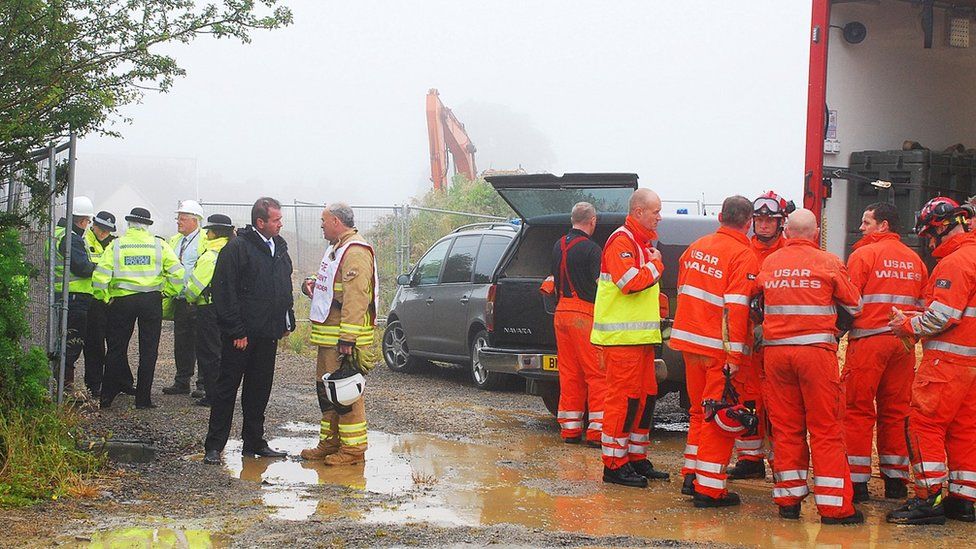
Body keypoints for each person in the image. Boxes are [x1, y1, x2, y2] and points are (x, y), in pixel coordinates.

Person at [757, 208, 863, 524]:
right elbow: (855, 305)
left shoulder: (770, 262)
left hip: (776, 355)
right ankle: (834, 509)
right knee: (826, 429)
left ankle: (788, 502)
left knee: (786, 429)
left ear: (786, 232)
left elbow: (757, 300)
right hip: (815, 355)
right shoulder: (828, 262)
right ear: (815, 233)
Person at [886, 197, 976, 525]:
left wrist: (907, 325)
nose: (930, 241)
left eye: (929, 234)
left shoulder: (955, 262)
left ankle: (929, 498)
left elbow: (944, 315)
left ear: (939, 228)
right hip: (970, 366)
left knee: (924, 425)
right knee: (965, 430)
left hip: (946, 363)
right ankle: (963, 500)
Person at [670, 196, 759, 507]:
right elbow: (736, 309)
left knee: (698, 412)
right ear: (748, 223)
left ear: (720, 215)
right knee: (718, 418)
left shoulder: (695, 247)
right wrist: (735, 357)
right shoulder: (743, 256)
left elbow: (683, 290)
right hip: (718, 350)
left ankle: (691, 476)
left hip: (689, 343)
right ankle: (709, 490)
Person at [843, 202, 926, 503]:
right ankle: (895, 482)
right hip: (903, 344)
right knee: (896, 411)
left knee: (857, 410)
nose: (862, 228)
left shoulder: (863, 255)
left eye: (867, 222)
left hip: (869, 342)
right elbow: (923, 303)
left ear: (884, 225)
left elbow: (850, 301)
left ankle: (858, 482)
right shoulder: (915, 260)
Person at [204, 197, 295, 465]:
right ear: (260, 222)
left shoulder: (279, 248)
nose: (280, 224)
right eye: (276, 219)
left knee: (259, 390)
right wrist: (236, 331)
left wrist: (285, 320)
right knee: (227, 389)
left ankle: (254, 441)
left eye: (279, 219)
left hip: (268, 333)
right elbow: (224, 291)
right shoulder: (237, 249)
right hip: (241, 336)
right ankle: (214, 445)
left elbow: (283, 287)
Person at [590, 188, 669, 487]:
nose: (659, 217)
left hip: (638, 339)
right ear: (638, 212)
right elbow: (629, 283)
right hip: (621, 340)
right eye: (655, 211)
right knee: (622, 401)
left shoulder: (639, 242)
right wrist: (656, 264)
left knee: (644, 398)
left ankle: (635, 457)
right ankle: (613, 464)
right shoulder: (621, 241)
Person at [300, 203, 378, 466]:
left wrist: (348, 338)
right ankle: (331, 442)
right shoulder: (337, 248)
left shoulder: (355, 251)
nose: (321, 225)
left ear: (335, 221)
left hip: (342, 340)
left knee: (346, 393)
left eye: (323, 220)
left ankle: (353, 450)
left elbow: (357, 297)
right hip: (329, 339)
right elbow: (333, 285)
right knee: (327, 392)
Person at [727, 190, 794, 480]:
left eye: (770, 220)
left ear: (781, 223)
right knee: (748, 399)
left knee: (781, 404)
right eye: (760, 219)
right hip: (747, 342)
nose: (764, 224)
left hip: (779, 340)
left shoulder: (790, 253)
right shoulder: (743, 251)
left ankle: (783, 462)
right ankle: (750, 458)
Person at [93, 207, 185, 409]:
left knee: (116, 348)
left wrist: (105, 297)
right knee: (149, 350)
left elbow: (100, 276)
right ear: (147, 225)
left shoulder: (117, 245)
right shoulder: (159, 245)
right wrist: (167, 292)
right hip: (151, 301)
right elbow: (179, 274)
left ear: (129, 224)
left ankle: (107, 396)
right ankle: (143, 399)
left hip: (122, 301)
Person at [546, 202, 605, 446]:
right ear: (592, 221)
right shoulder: (592, 249)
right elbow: (602, 285)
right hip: (584, 315)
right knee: (597, 373)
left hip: (561, 313)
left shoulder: (557, 246)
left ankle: (570, 430)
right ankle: (597, 432)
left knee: (570, 373)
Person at [184, 214, 235, 407]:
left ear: (214, 233)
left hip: (208, 307)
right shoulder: (233, 250)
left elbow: (195, 287)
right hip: (229, 309)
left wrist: (189, 298)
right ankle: (224, 393)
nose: (206, 235)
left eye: (208, 231)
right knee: (224, 352)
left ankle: (212, 395)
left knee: (209, 353)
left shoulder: (210, 255)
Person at [82, 210, 133, 398]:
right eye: (101, 228)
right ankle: (94, 384)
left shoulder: (115, 243)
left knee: (117, 343)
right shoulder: (85, 241)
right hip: (95, 299)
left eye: (107, 230)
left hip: (114, 300)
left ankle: (122, 382)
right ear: (93, 225)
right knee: (94, 344)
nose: (103, 233)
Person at [163, 200, 208, 397]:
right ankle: (182, 381)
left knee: (203, 343)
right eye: (178, 218)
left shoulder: (205, 240)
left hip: (198, 301)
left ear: (195, 220)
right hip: (180, 299)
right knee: (182, 343)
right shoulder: (174, 241)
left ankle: (203, 384)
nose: (178, 222)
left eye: (182, 218)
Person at [52, 196, 97, 393]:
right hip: (74, 297)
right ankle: (66, 386)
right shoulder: (71, 239)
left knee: (61, 338)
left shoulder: (58, 233)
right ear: (81, 221)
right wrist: (99, 267)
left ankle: (60, 382)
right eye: (88, 221)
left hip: (61, 294)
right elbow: (83, 268)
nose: (87, 225)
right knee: (72, 341)